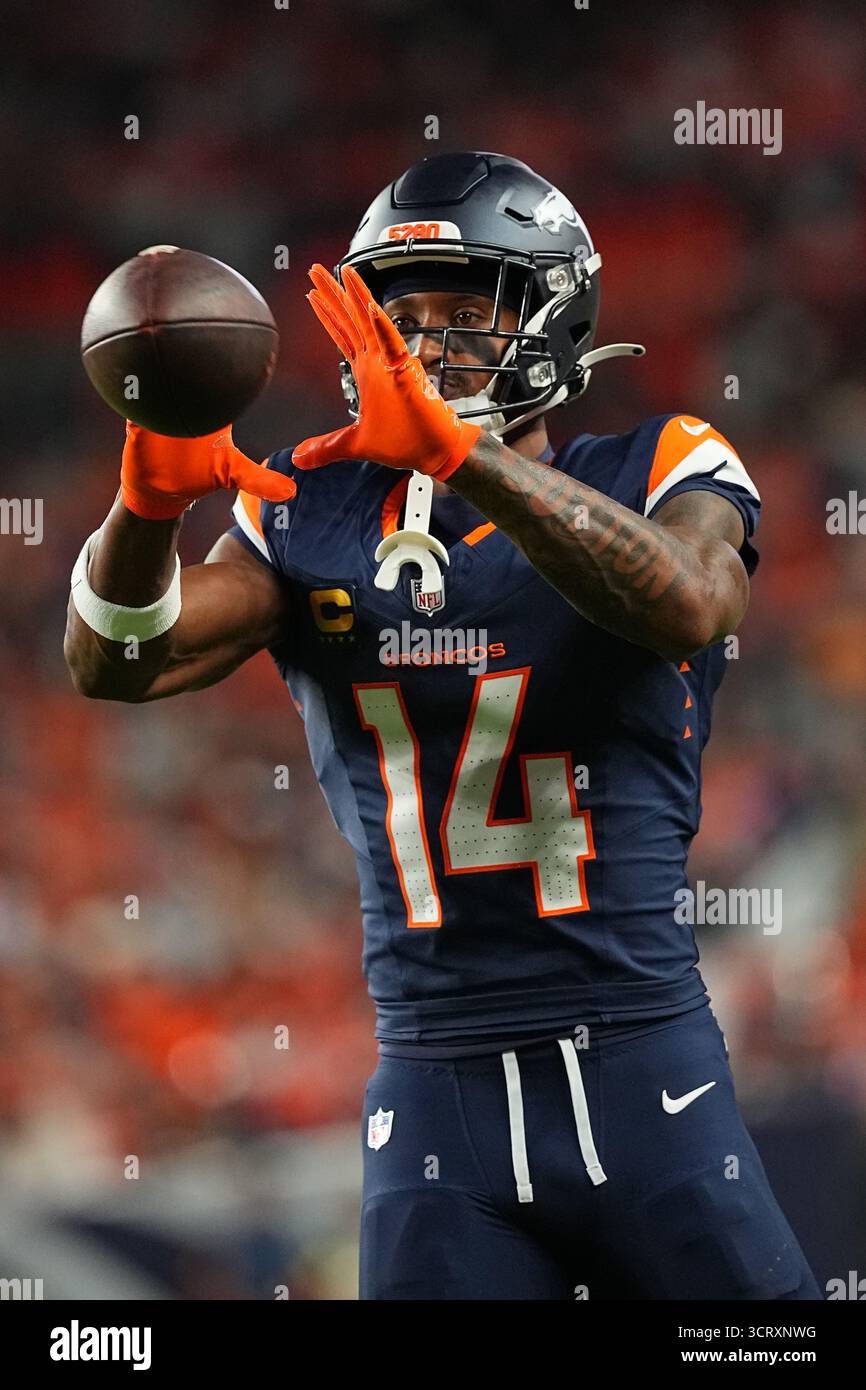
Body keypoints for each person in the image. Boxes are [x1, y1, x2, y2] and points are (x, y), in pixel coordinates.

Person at [65, 151, 820, 1300]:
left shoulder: (659, 462)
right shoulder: (304, 512)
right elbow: (116, 660)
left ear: (555, 316)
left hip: (640, 1064)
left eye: (466, 313)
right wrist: (145, 506)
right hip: (431, 1094)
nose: (426, 347)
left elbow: (691, 599)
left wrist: (465, 461)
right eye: (401, 319)